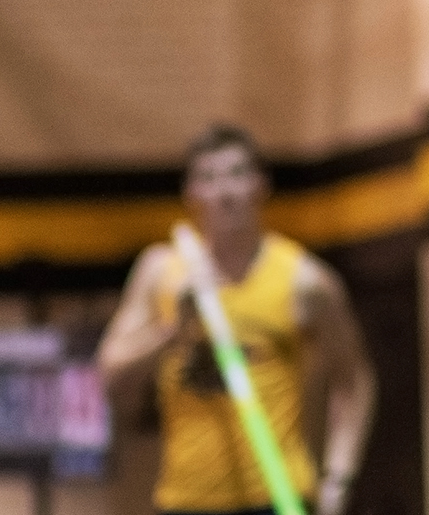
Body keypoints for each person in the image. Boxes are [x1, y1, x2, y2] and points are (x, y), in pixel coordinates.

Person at [98, 124, 376, 515]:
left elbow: (355, 381)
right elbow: (109, 377)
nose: (225, 191)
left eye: (237, 174)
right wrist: (173, 332)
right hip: (186, 501)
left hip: (277, 496)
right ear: (192, 193)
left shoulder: (304, 281)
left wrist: (339, 476)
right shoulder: (162, 273)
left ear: (261, 184)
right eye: (210, 178)